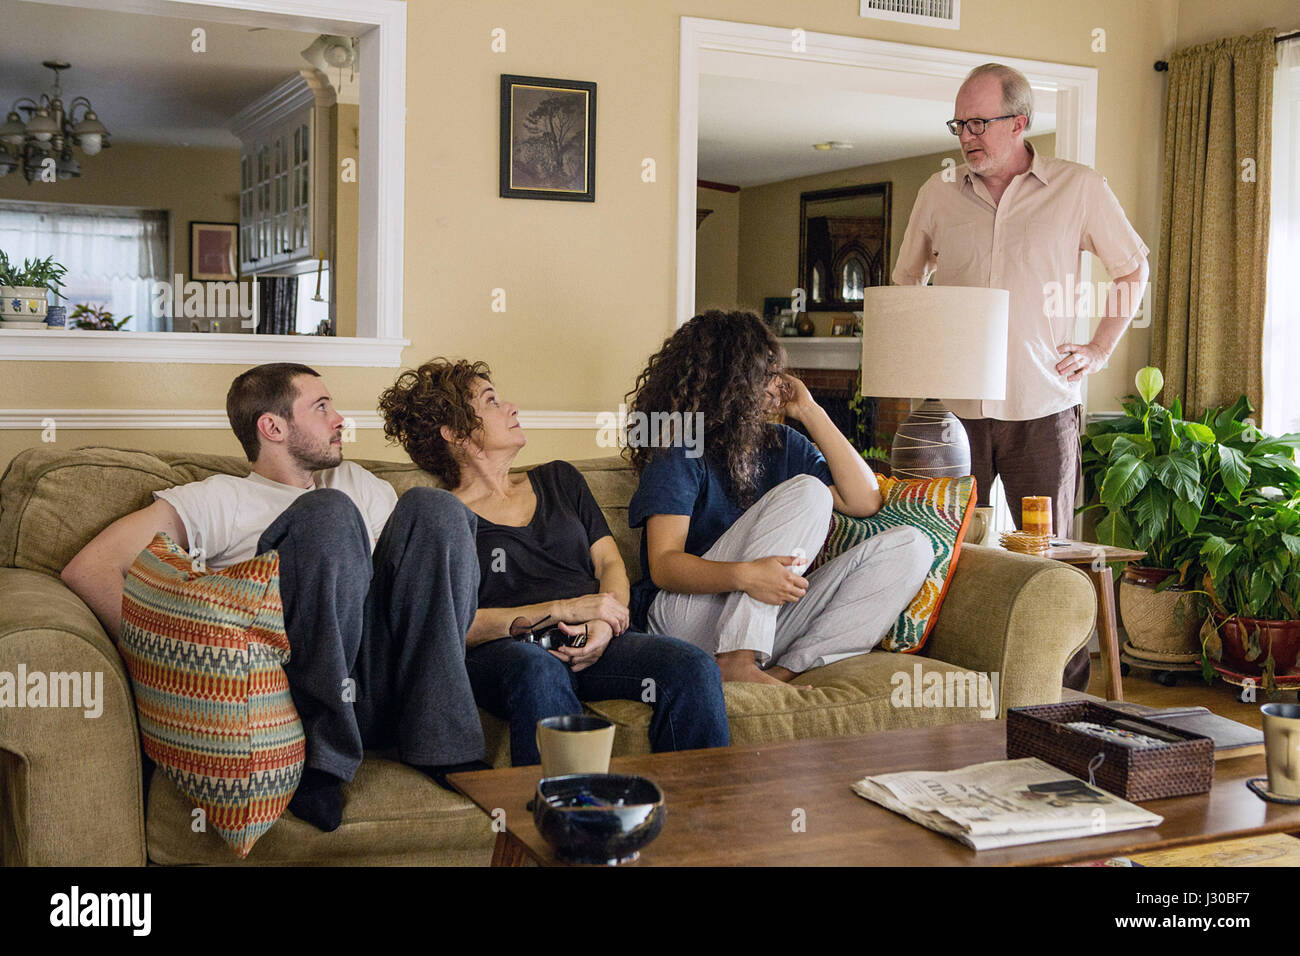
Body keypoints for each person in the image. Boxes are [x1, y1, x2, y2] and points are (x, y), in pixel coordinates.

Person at [61, 363, 489, 833]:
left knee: (435, 507)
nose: (340, 419)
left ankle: (444, 746)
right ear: (273, 426)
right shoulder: (220, 499)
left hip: (381, 685)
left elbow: (424, 587)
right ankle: (320, 761)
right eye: (322, 407)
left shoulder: (357, 483)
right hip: (291, 700)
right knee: (327, 515)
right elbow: (90, 570)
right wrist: (169, 660)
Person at [892, 63, 1150, 690]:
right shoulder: (937, 192)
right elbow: (905, 284)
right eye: (960, 123)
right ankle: (949, 685)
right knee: (942, 551)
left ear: (1020, 122)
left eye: (980, 122)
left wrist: (1097, 347)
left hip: (1043, 406)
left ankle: (1063, 700)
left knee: (1053, 560)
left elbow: (1132, 268)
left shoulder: (1078, 188)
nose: (967, 136)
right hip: (955, 413)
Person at [377, 357, 731, 766]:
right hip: (507, 651)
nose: (511, 407)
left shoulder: (560, 479)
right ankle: (563, 822)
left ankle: (698, 819)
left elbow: (609, 565)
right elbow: (451, 625)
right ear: (456, 432)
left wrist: (603, 622)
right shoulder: (444, 518)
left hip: (594, 635)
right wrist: (561, 610)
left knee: (693, 667)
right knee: (538, 669)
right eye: (491, 401)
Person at [624, 310, 934, 686]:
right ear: (730, 381)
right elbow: (664, 565)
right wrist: (746, 576)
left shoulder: (784, 444)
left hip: (761, 620)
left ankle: (785, 673)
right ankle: (736, 661)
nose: (776, 385)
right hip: (681, 621)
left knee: (913, 547)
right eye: (765, 374)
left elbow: (864, 500)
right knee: (811, 491)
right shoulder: (683, 446)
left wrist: (809, 410)